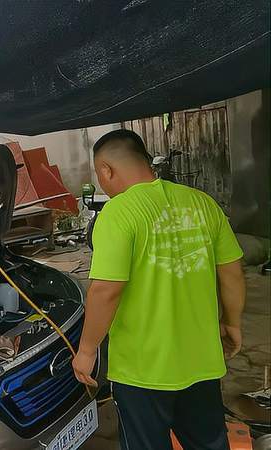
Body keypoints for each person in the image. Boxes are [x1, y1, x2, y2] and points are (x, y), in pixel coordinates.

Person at [72, 129, 246, 450]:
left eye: (99, 174)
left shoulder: (118, 213)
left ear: (106, 170)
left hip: (142, 371)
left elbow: (106, 290)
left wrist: (86, 350)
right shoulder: (202, 203)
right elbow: (232, 272)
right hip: (201, 361)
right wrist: (232, 322)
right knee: (208, 443)